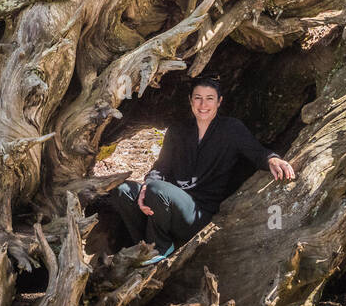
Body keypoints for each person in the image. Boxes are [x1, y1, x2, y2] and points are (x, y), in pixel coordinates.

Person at [108, 78, 295, 264]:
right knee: (122, 190)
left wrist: (272, 159)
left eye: (209, 98)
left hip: (197, 213)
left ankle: (160, 249)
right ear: (190, 100)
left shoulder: (231, 129)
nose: (203, 104)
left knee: (157, 191)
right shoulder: (177, 130)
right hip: (164, 204)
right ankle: (142, 246)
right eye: (198, 98)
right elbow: (160, 167)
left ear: (219, 102)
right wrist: (145, 187)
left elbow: (256, 152)